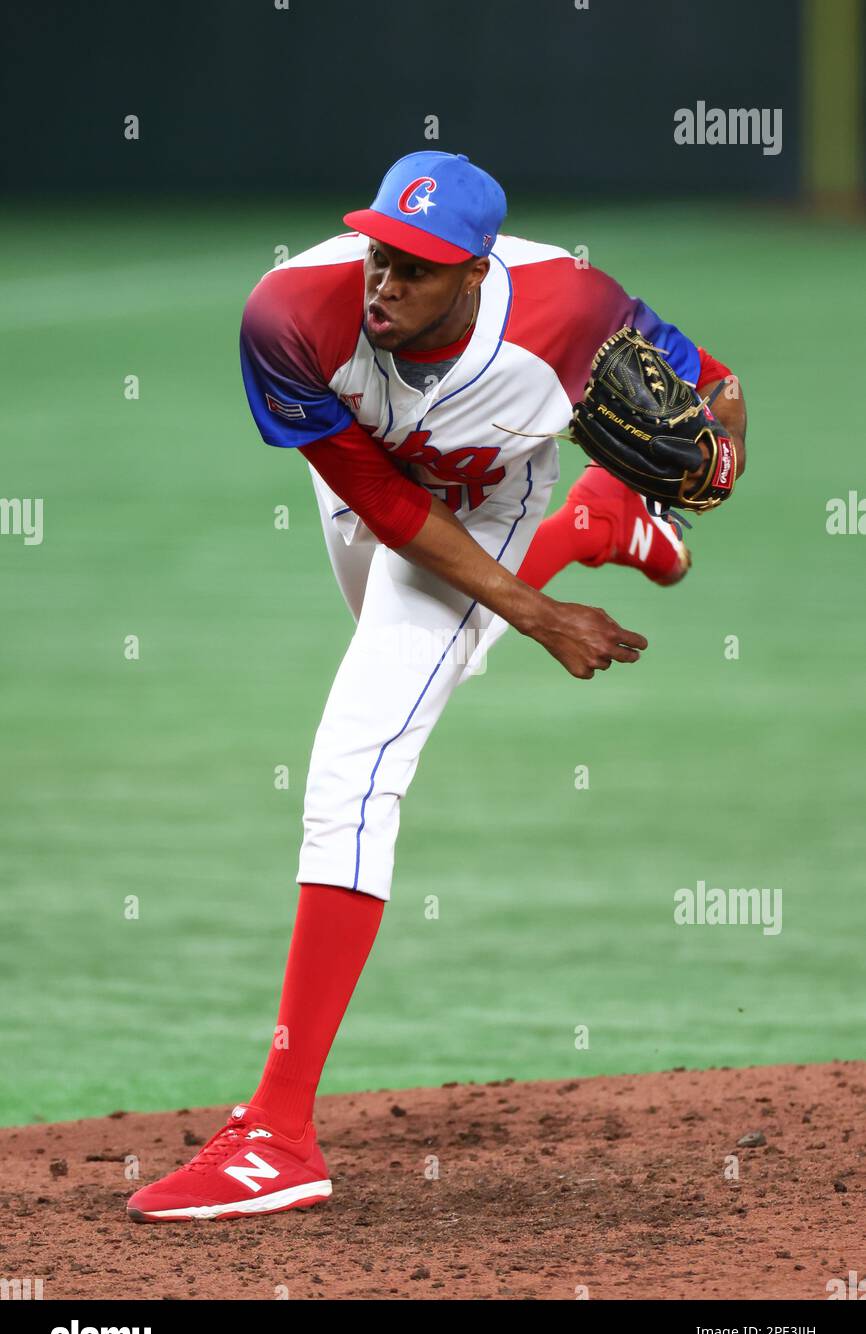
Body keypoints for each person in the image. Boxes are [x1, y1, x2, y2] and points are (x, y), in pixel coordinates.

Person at [127, 151, 746, 1222]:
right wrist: (537, 611)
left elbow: (716, 390)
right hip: (377, 493)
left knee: (357, 763)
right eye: (377, 252)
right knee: (420, 651)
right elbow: (381, 502)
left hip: (493, 495)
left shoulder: (570, 310)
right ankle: (599, 525)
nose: (384, 283)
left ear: (474, 269)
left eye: (415, 267)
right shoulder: (288, 318)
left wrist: (720, 466)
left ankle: (277, 1134)